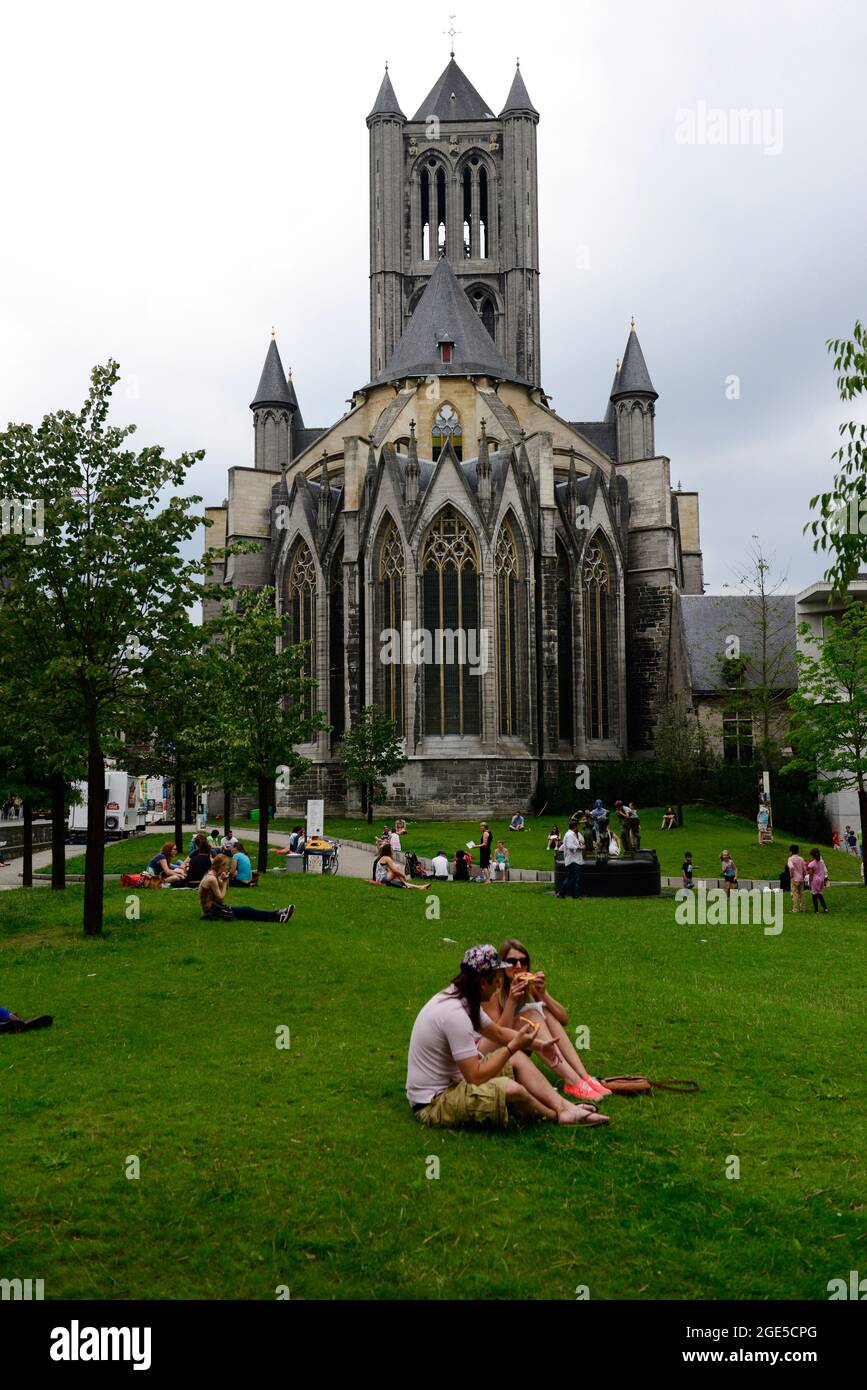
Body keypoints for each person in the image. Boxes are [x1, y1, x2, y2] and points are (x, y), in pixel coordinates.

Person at [405, 944, 609, 1129]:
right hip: (435, 1101)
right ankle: (556, 1116)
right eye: (496, 981)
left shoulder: (463, 995)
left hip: (454, 1081)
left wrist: (539, 1045)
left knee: (517, 1059)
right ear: (483, 983)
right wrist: (511, 1048)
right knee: (512, 1090)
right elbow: (474, 1076)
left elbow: (498, 1033)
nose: (497, 987)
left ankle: (564, 1106)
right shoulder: (454, 1015)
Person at [492, 940, 612, 1101]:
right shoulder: (494, 990)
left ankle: (583, 1076)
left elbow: (563, 1019)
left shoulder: (528, 985)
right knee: (532, 1014)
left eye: (524, 961)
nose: (519, 965)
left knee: (545, 1011)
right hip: (497, 1052)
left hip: (522, 1044)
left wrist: (543, 994)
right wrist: (512, 1001)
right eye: (512, 961)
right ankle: (572, 1081)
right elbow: (496, 1035)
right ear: (502, 965)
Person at [198, 856, 294, 923]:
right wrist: (225, 882)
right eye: (225, 865)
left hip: (215, 909)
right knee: (247, 911)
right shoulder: (212, 879)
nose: (227, 867)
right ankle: (277, 917)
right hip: (213, 912)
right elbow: (221, 898)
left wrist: (224, 881)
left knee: (247, 911)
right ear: (220, 865)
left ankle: (278, 915)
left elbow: (221, 894)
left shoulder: (211, 874)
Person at [558, 817, 584, 899]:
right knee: (573, 878)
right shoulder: (570, 835)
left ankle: (576, 895)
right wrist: (581, 848)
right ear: (575, 827)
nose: (578, 828)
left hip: (574, 859)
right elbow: (570, 846)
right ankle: (561, 892)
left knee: (573, 878)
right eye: (577, 827)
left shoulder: (570, 834)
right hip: (572, 859)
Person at [806, 849, 829, 914]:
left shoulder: (811, 864)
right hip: (822, 880)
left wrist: (810, 883)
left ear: (812, 856)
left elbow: (810, 875)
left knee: (814, 895)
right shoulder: (822, 861)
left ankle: (816, 910)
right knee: (820, 895)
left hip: (815, 881)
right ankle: (825, 908)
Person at [787, 843, 807, 913]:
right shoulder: (801, 859)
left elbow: (791, 867)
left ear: (791, 851)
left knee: (795, 894)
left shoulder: (790, 859)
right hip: (801, 878)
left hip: (794, 879)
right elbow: (804, 869)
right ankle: (803, 908)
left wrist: (791, 875)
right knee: (801, 894)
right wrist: (804, 875)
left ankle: (795, 909)